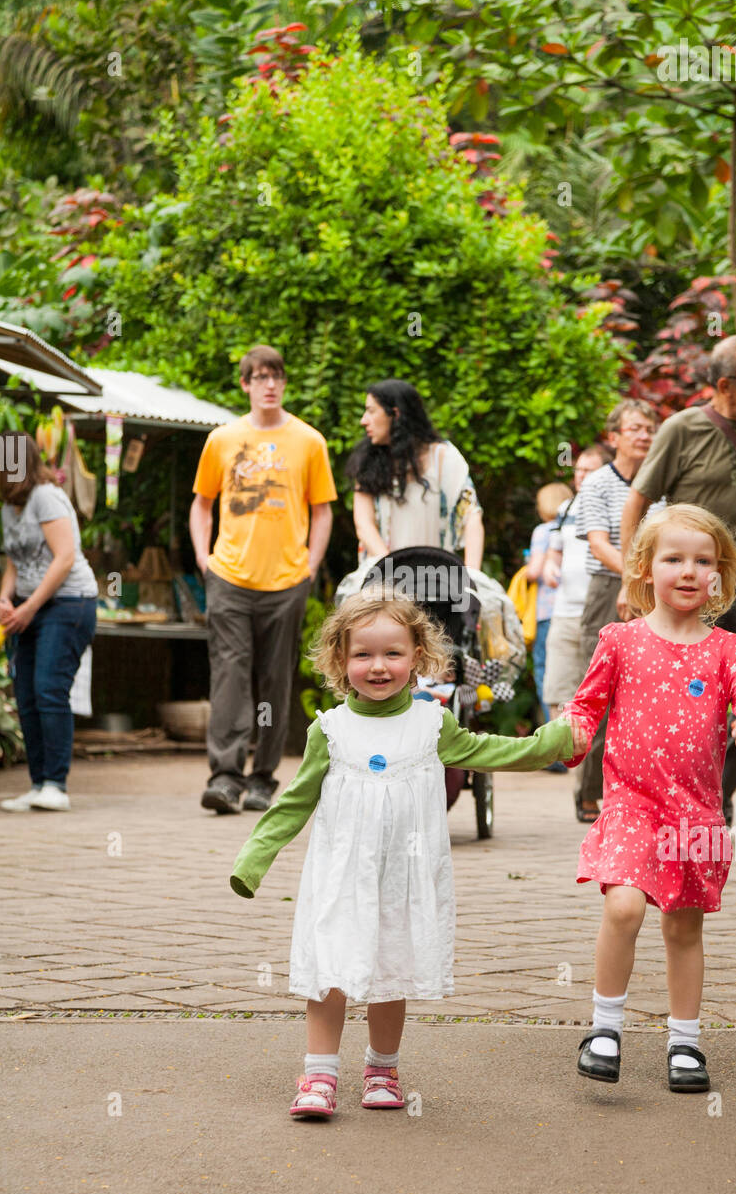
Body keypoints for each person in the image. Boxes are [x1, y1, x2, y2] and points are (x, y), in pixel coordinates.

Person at [229, 588, 581, 1119]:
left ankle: (381, 1069)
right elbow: (295, 801)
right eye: (362, 654)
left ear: (417, 656)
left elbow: (490, 752)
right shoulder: (330, 729)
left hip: (404, 880)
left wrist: (551, 743)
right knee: (330, 970)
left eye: (392, 653)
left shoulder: (432, 723)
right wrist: (254, 858)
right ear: (339, 660)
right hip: (340, 878)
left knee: (391, 971)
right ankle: (320, 1075)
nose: (377, 666)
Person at [563, 505, 736, 1092]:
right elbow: (584, 707)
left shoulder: (729, 649)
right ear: (645, 569)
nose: (688, 571)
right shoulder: (621, 640)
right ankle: (605, 1029)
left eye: (703, 561)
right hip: (631, 802)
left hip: (695, 812)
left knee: (683, 930)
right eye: (673, 558)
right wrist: (572, 736)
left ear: (719, 574)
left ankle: (685, 1042)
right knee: (625, 907)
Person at [619, 335, 736, 826]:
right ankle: (678, 795)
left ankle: (716, 790)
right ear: (723, 384)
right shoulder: (681, 429)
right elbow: (638, 501)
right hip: (689, 578)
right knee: (684, 688)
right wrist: (636, 576)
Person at [190, 345, 337, 815]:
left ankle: (262, 779)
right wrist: (203, 558)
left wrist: (310, 567)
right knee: (230, 675)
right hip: (229, 577)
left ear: (284, 383)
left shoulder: (310, 441)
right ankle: (225, 776)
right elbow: (201, 504)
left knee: (275, 680)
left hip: (286, 582)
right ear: (245, 385)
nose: (269, 384)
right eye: (259, 377)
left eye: (276, 376)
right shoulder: (222, 439)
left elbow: (322, 510)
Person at [0, 432, 98, 812]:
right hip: (31, 607)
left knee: (49, 688)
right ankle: (39, 785)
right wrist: (6, 598)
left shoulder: (46, 497)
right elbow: (14, 561)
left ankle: (57, 784)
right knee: (27, 694)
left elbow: (65, 557)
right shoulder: (10, 507)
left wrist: (29, 607)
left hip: (69, 604)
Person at [573, 401, 665, 823]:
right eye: (635, 428)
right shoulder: (595, 483)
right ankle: (589, 793)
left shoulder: (663, 485)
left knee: (653, 694)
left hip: (657, 589)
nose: (644, 435)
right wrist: (633, 576)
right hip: (609, 587)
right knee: (599, 691)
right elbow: (597, 541)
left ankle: (642, 794)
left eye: (650, 428)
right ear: (613, 438)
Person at [347, 380, 484, 568]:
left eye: (371, 411)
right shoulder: (368, 462)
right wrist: (393, 571)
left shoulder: (444, 458)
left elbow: (471, 516)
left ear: (395, 414)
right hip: (384, 580)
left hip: (439, 579)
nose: (364, 420)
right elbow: (364, 524)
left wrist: (471, 577)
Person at [543, 446, 609, 725]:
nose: (580, 476)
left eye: (588, 470)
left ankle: (592, 765)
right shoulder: (566, 507)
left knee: (597, 691)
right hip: (564, 612)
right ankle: (566, 755)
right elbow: (554, 549)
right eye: (578, 470)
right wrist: (549, 565)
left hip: (599, 613)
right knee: (558, 688)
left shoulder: (613, 505)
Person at [524, 481, 572, 729]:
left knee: (547, 676)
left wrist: (525, 570)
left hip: (547, 613)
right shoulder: (576, 527)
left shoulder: (544, 531)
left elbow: (535, 571)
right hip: (573, 611)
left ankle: (554, 745)